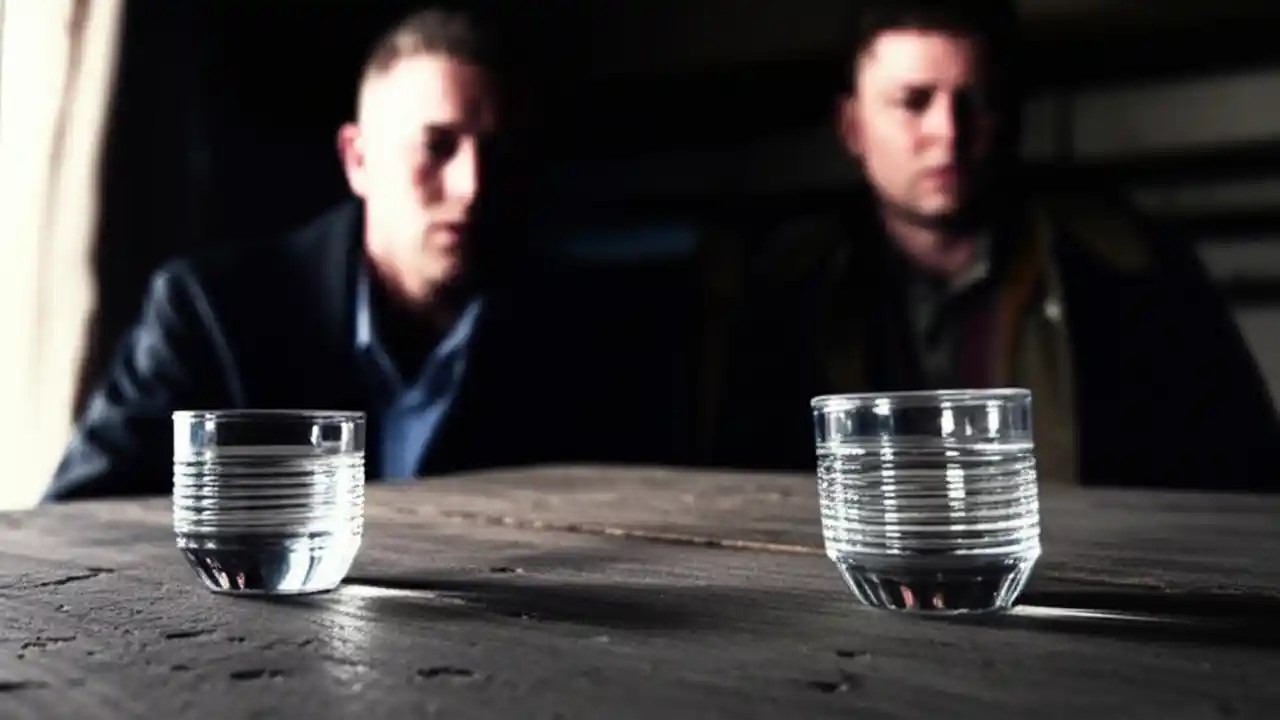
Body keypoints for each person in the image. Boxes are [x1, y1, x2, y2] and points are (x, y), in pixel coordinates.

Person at [48, 7, 668, 499]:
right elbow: (78, 524)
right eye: (436, 147)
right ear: (358, 159)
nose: (473, 185)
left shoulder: (576, 331)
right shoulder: (210, 312)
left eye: (498, 154)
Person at [695, 0, 1280, 490]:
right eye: (914, 101)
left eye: (976, 99)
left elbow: (1242, 482)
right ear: (852, 127)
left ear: (1011, 114)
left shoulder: (1129, 272)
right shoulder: (781, 296)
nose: (948, 133)